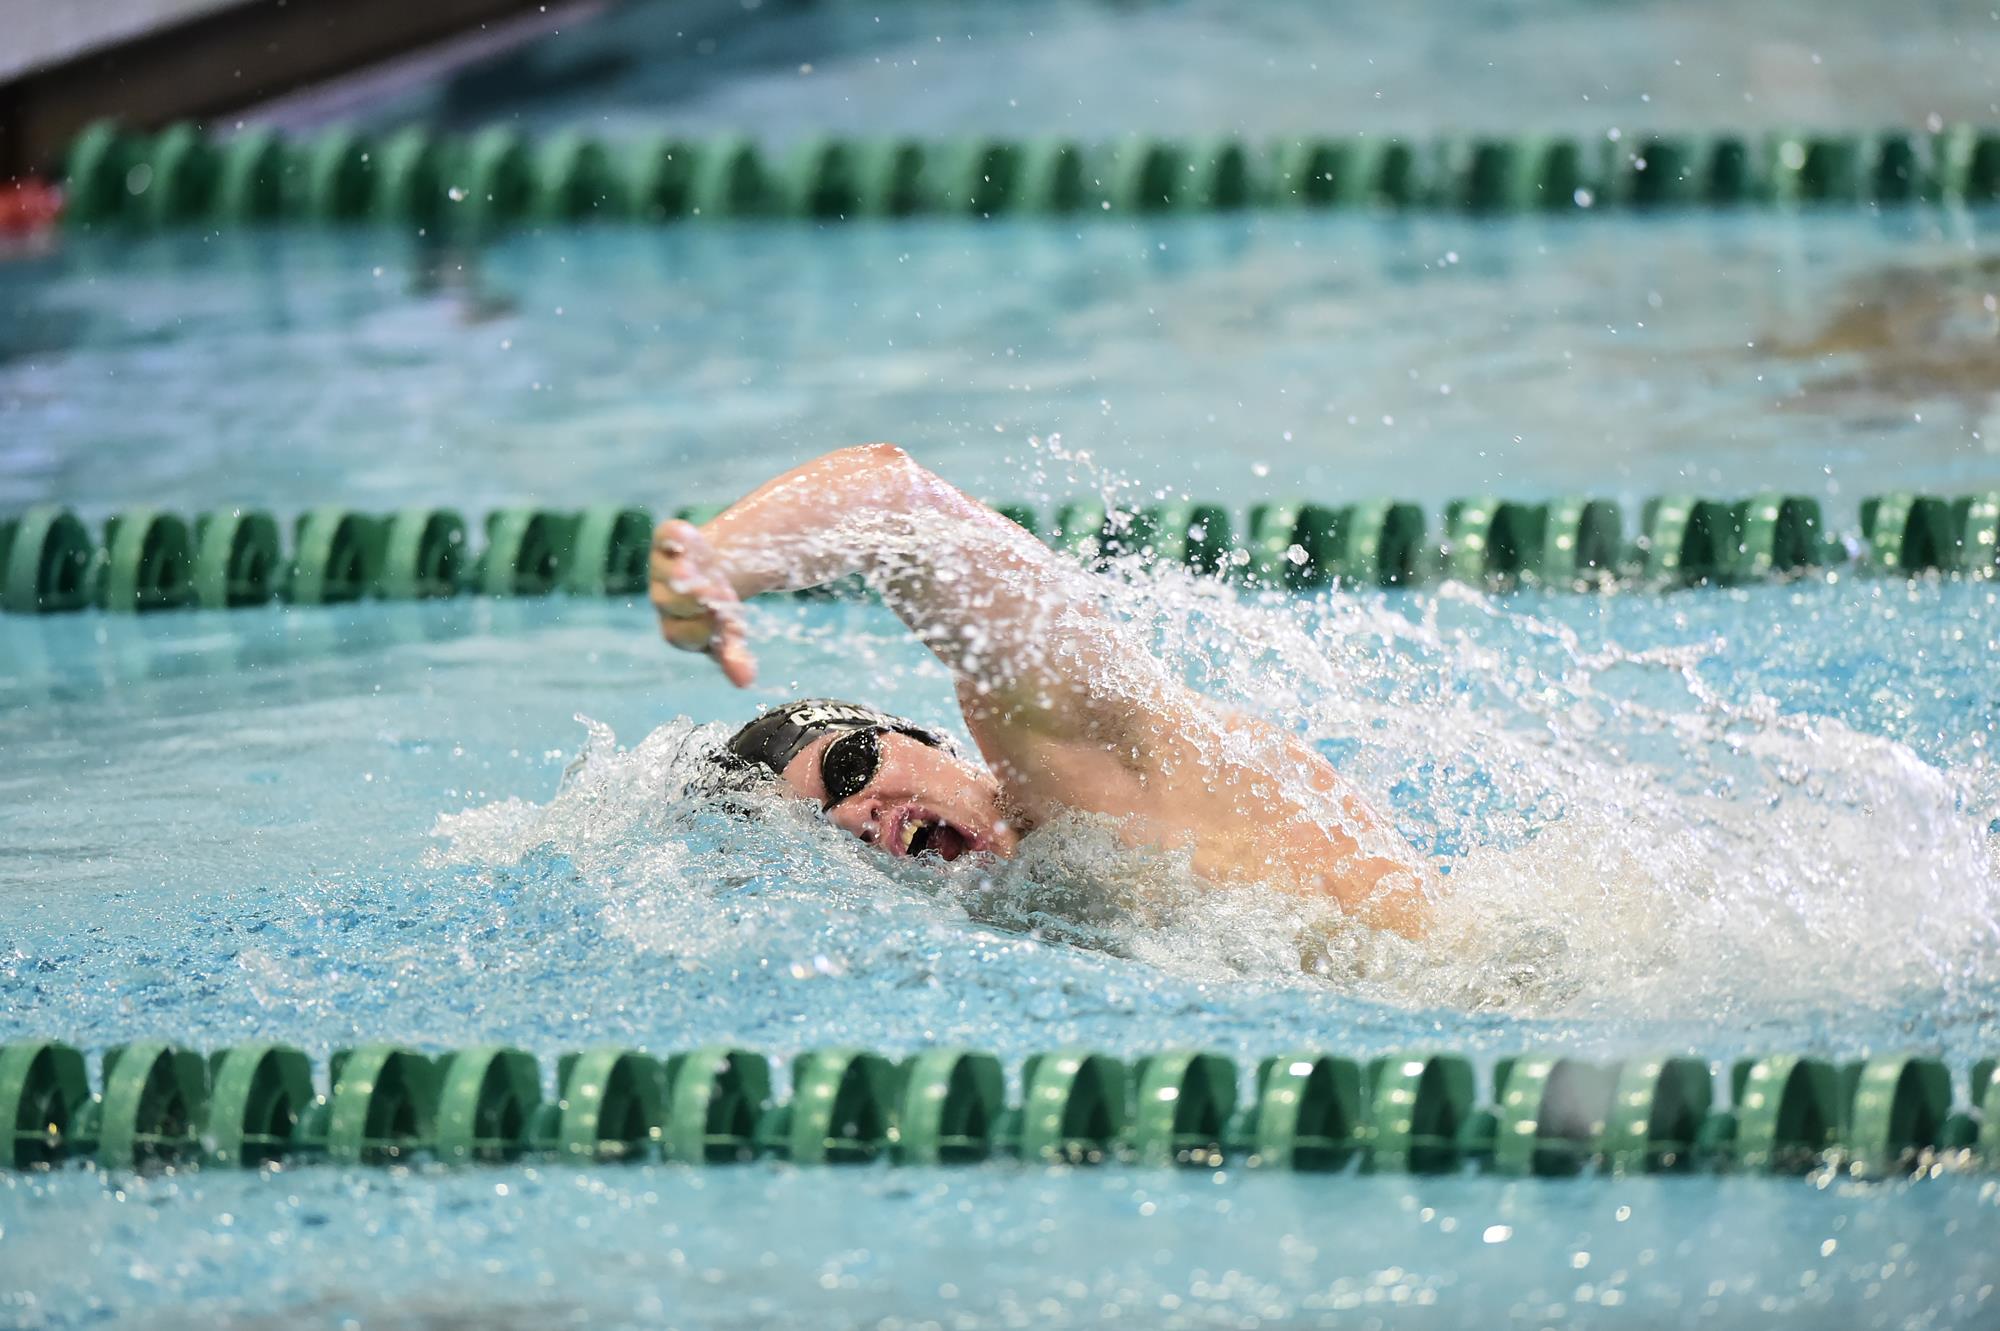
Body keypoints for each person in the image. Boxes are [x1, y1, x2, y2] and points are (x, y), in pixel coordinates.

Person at [650, 444, 1432, 938]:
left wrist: (720, 562)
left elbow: (896, 502)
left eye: (849, 766)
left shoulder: (1069, 763)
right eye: (822, 835)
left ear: (924, 741)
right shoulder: (1021, 923)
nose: (855, 817)